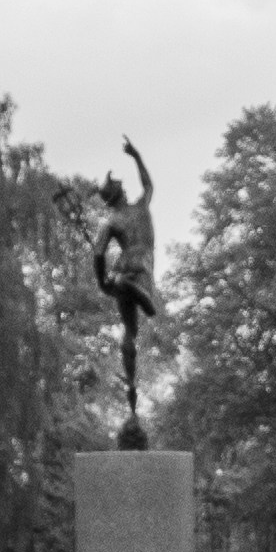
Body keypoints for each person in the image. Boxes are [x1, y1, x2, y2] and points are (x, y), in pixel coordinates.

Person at [79, 140, 168, 443]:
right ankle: (137, 289)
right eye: (122, 187)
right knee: (140, 314)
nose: (128, 189)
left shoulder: (112, 221)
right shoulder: (141, 206)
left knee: (128, 332)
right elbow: (148, 182)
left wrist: (103, 281)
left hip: (122, 267)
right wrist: (137, 156)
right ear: (121, 194)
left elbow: (98, 254)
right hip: (142, 265)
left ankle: (131, 384)